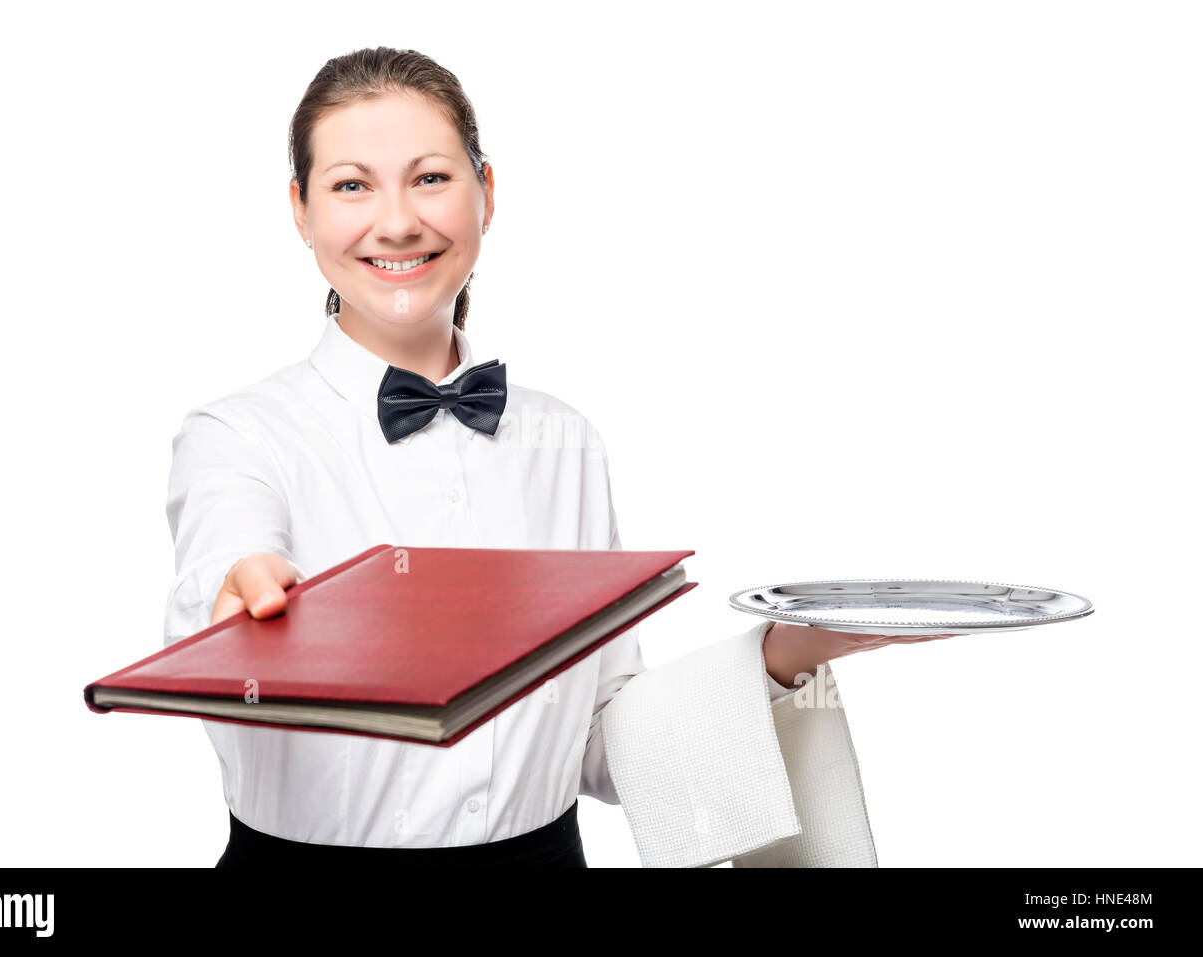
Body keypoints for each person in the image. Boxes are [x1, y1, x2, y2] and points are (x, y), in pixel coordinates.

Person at [162, 46, 957, 869]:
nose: (396, 221)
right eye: (351, 184)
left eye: (430, 177)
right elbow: (220, 574)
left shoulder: (564, 440)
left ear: (487, 193)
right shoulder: (238, 433)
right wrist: (233, 613)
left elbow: (601, 738)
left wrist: (788, 653)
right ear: (300, 209)